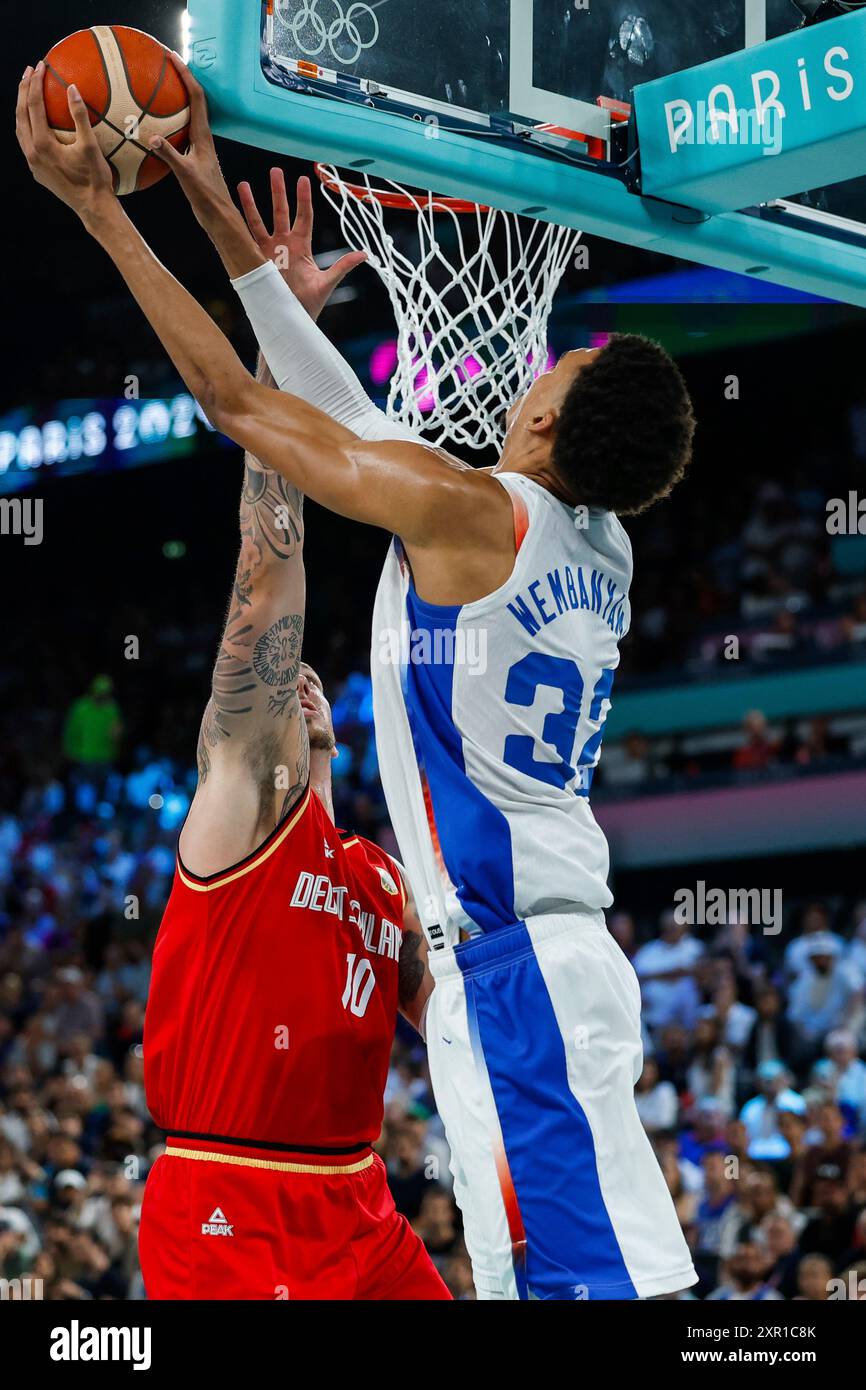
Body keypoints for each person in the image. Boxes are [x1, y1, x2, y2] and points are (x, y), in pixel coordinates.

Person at [17, 59, 698, 1301]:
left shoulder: (470, 514)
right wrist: (213, 198)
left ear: (548, 425)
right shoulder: (590, 537)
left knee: (595, 1294)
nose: (542, 366)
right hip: (543, 959)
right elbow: (340, 417)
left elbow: (240, 403)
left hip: (512, 978)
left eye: (562, 369)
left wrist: (103, 211)